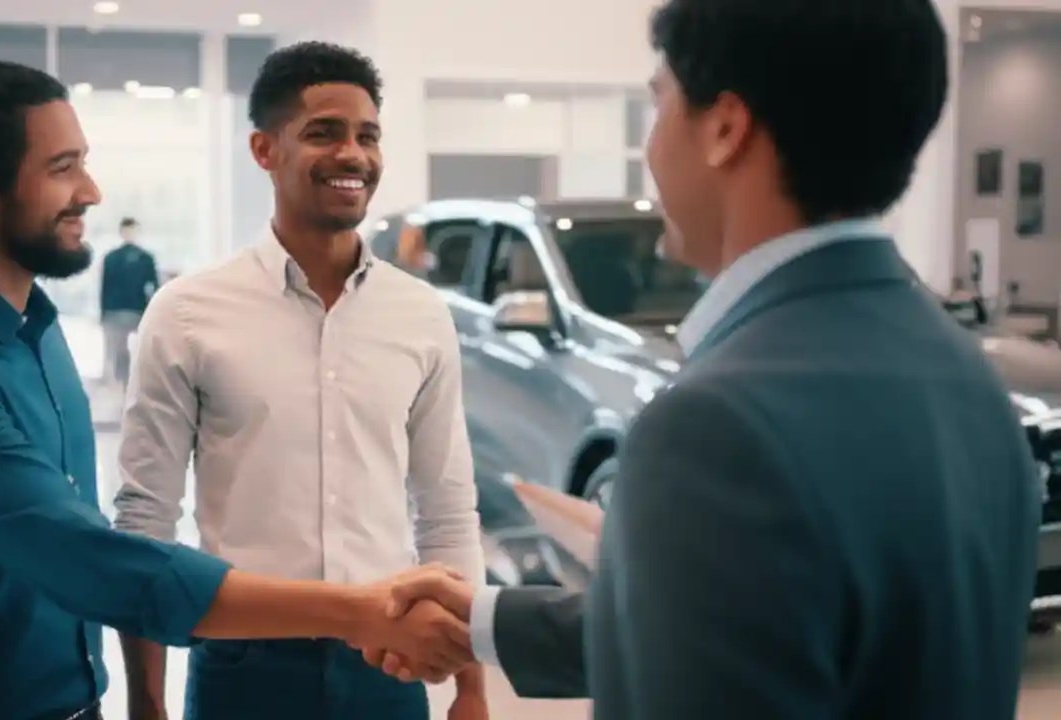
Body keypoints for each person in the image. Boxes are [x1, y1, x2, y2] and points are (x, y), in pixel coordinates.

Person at [379, 1, 1042, 718]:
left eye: (658, 106)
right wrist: (487, 621)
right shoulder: (967, 373)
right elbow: (777, 633)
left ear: (725, 128)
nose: (651, 150)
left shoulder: (718, 426)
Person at [0, 57, 471, 720]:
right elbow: (94, 560)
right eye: (62, 168)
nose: (91, 191)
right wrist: (361, 611)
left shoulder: (36, 334)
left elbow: (447, 503)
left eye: (82, 161)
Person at [113, 41, 488, 720]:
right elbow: (145, 524)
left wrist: (472, 686)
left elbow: (447, 508)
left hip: (389, 664)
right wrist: (145, 703)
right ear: (264, 150)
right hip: (241, 668)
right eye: (324, 132)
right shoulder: (189, 312)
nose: (354, 155)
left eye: (368, 136)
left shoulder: (420, 314)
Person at [99, 217, 158, 385]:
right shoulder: (143, 258)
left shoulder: (115, 257)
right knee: (122, 351)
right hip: (127, 310)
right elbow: (105, 286)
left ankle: (127, 382)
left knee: (124, 351)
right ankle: (127, 383)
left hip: (128, 310)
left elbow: (154, 287)